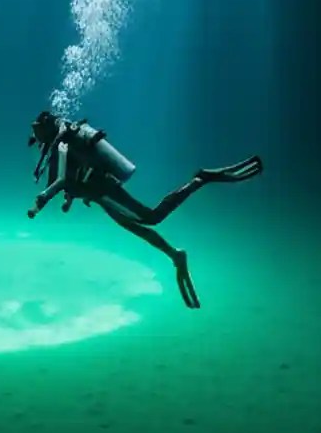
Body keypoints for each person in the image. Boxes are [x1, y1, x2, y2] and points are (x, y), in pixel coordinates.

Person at [26, 109, 263, 309]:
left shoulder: (63, 142)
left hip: (104, 190)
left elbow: (60, 181)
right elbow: (68, 177)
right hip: (99, 195)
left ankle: (199, 180)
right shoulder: (61, 143)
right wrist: (67, 198)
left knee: (152, 217)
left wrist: (43, 199)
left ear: (45, 125)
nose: (35, 137)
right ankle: (175, 254)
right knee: (136, 227)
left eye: (36, 129)